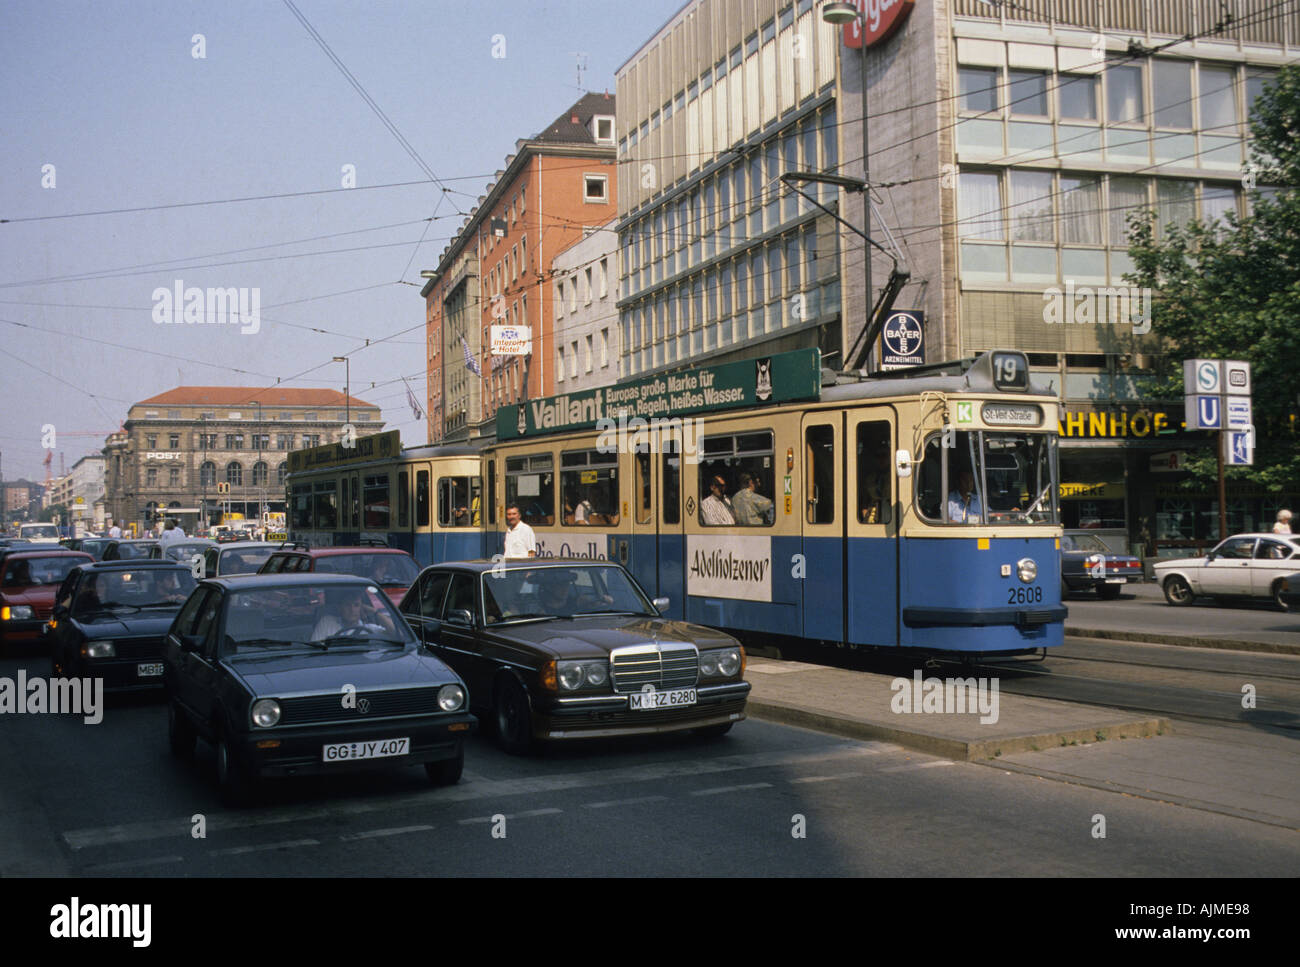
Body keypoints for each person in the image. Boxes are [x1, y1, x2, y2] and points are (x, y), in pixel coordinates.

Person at [311, 589, 395, 640]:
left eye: (356, 605)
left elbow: (398, 634)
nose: (352, 610)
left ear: (361, 608)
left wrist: (375, 612)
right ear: (340, 608)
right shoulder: (327, 622)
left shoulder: (369, 629)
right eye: (347, 605)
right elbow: (315, 650)